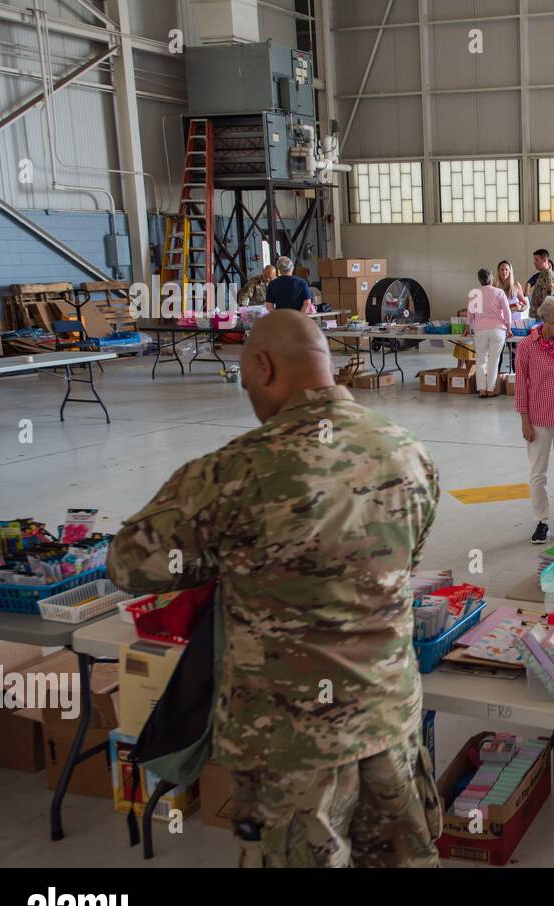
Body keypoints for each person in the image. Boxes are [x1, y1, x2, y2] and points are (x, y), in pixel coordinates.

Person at [106, 311, 441, 868]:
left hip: (292, 744)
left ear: (262, 366)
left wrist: (221, 556)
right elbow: (401, 563)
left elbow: (130, 564)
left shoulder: (235, 469)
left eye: (244, 382)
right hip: (390, 722)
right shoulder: (407, 452)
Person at [516, 296, 554, 544]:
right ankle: (541, 521)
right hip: (538, 418)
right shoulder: (526, 346)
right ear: (548, 322)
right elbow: (521, 384)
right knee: (538, 473)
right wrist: (525, 420)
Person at [468, 267, 512, 397]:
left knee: (481, 360)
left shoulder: (474, 293)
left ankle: (481, 389)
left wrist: (467, 327)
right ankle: (490, 389)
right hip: (497, 330)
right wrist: (508, 328)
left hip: (480, 330)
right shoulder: (499, 292)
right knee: (494, 360)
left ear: (479, 280)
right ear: (491, 279)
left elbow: (470, 314)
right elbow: (507, 311)